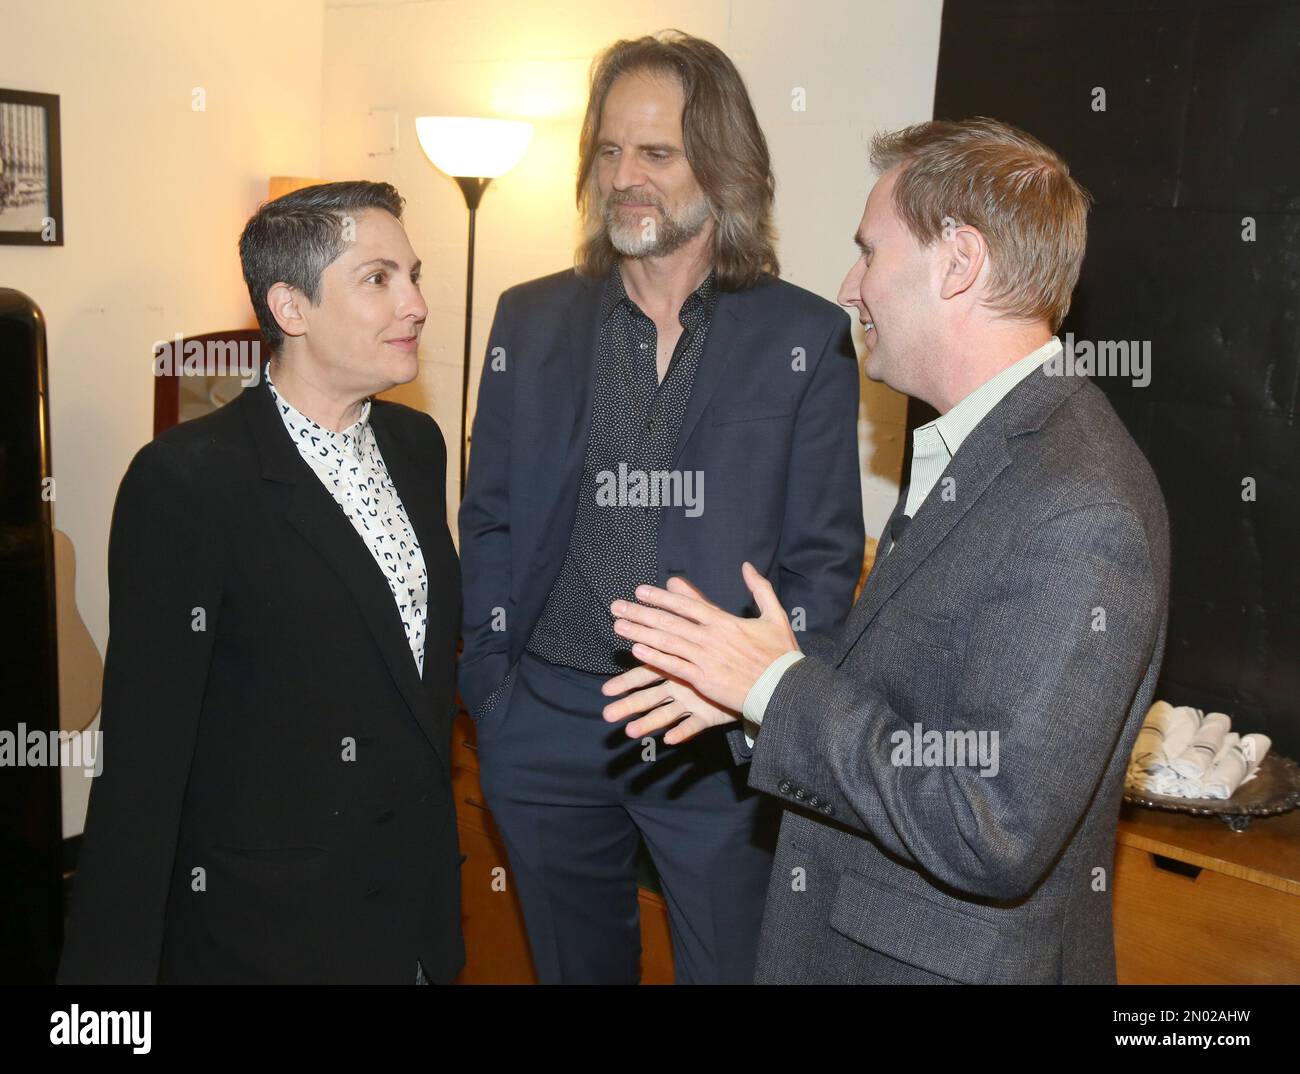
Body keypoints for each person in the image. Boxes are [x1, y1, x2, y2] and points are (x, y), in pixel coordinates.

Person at [605, 118, 1171, 985]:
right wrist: (756, 692)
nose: (849, 287)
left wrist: (775, 688)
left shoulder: (1079, 505)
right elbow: (909, 701)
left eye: (870, 252)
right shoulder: (987, 448)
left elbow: (994, 821)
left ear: (959, 261)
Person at [458, 31, 864, 984]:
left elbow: (821, 564)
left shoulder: (805, 337)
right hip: (544, 722)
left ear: (723, 166)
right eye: (608, 151)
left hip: (712, 745)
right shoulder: (529, 316)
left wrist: (752, 707)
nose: (623, 178)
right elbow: (490, 516)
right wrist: (493, 689)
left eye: (655, 153)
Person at [59, 181, 464, 984]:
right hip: (267, 937)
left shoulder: (419, 446)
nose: (416, 303)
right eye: (379, 278)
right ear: (291, 307)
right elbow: (143, 763)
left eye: (413, 274)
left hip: (413, 917)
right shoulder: (187, 481)